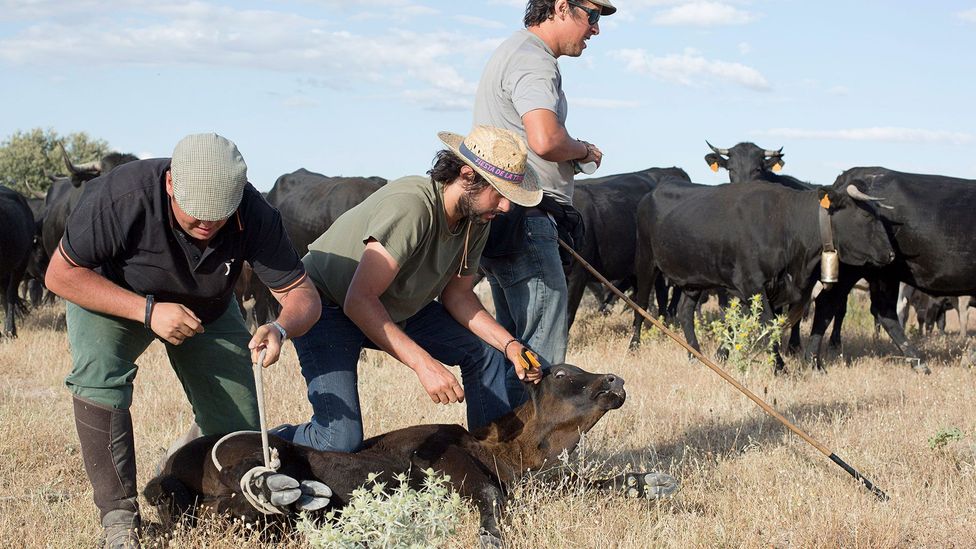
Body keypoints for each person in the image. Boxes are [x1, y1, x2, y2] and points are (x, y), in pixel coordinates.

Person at [45, 133, 321, 548]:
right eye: (196, 214)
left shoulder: (254, 212)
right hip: (113, 295)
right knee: (100, 379)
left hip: (206, 305)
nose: (207, 225)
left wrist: (280, 327)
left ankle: (181, 458)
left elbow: (303, 297)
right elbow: (60, 275)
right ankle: (119, 519)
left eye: (220, 215)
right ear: (171, 184)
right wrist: (149, 312)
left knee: (239, 427)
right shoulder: (121, 196)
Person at [272, 126, 543, 453]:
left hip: (391, 307)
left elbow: (458, 296)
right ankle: (260, 444)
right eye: (499, 194)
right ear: (468, 176)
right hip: (327, 306)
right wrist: (423, 363)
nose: (505, 207)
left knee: (484, 353)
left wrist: (510, 345)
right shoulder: (412, 206)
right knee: (339, 441)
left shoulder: (476, 219)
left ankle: (491, 457)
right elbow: (358, 300)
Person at [472, 0, 613, 403]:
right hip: (529, 216)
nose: (596, 30)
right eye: (594, 17)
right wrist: (583, 149)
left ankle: (505, 453)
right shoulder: (535, 61)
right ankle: (539, 461)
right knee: (542, 347)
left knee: (512, 344)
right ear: (562, 7)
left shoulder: (513, 50)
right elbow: (546, 139)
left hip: (504, 215)